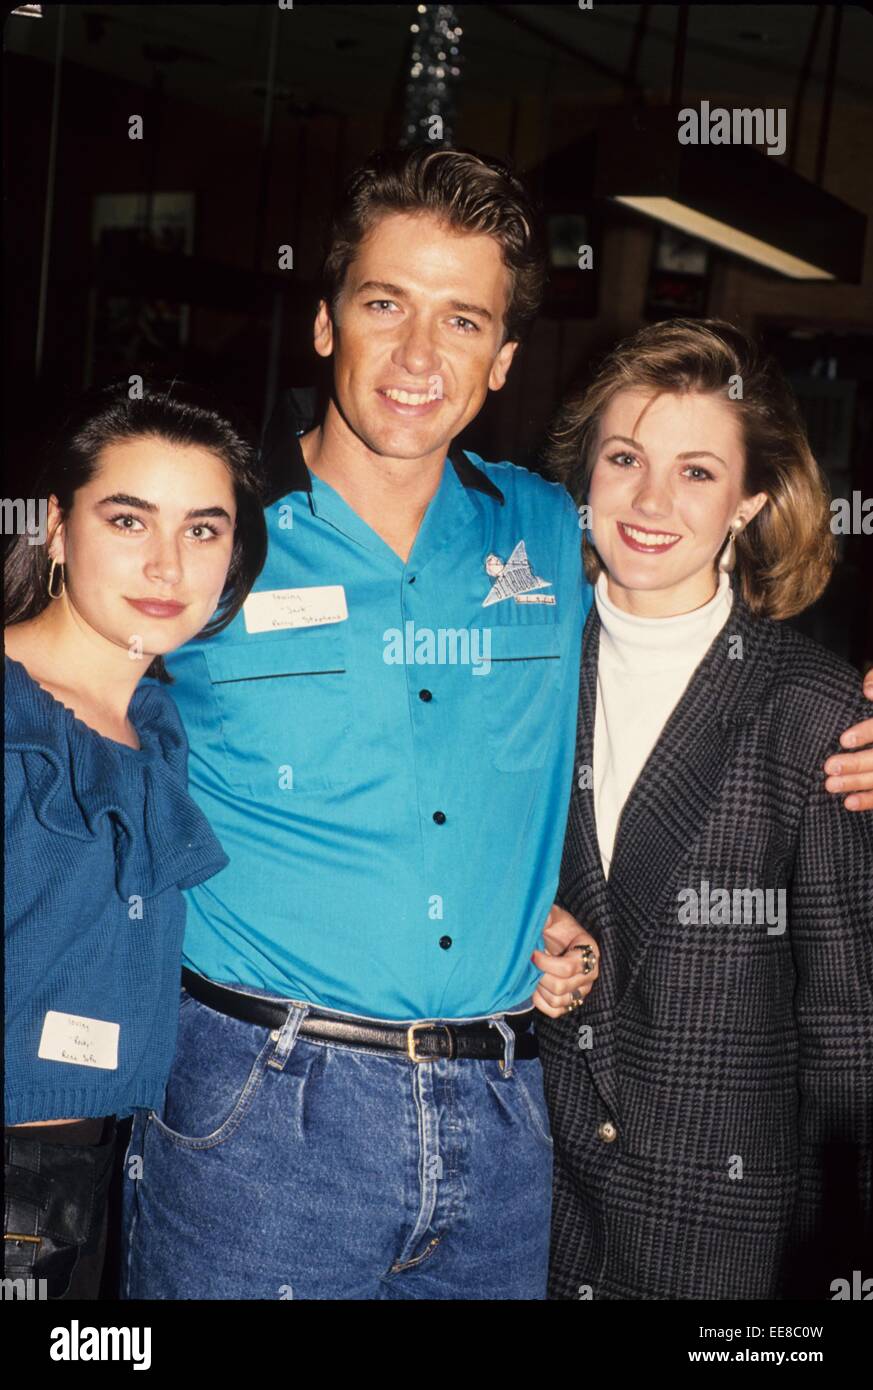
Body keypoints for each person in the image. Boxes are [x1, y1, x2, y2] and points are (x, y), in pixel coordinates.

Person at [121, 147, 873, 1302]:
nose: (420, 357)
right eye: (387, 305)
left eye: (463, 321)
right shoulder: (213, 532)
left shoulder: (550, 531)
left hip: (506, 1127)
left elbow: (680, 615)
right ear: (327, 325)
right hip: (260, 1119)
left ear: (504, 359)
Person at [534, 318, 873, 1301]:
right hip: (529, 1218)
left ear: (750, 500)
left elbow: (849, 1034)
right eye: (626, 457)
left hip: (720, 1246)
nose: (648, 500)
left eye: (695, 471)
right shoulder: (517, 664)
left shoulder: (812, 710)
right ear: (586, 472)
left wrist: (838, 1264)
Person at [3, 377, 267, 1298]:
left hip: (103, 1166)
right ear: (57, 528)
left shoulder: (155, 721)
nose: (168, 566)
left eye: (202, 529)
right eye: (127, 520)